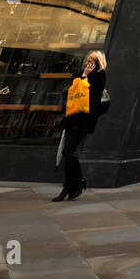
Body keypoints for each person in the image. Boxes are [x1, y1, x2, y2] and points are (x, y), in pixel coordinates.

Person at [53, 50, 107, 202]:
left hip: (85, 119)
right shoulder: (81, 73)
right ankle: (71, 185)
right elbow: (73, 90)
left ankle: (76, 183)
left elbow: (90, 93)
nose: (87, 63)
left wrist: (86, 76)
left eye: (91, 60)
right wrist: (83, 75)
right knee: (66, 152)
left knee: (69, 151)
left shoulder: (100, 75)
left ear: (97, 62)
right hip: (73, 117)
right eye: (87, 60)